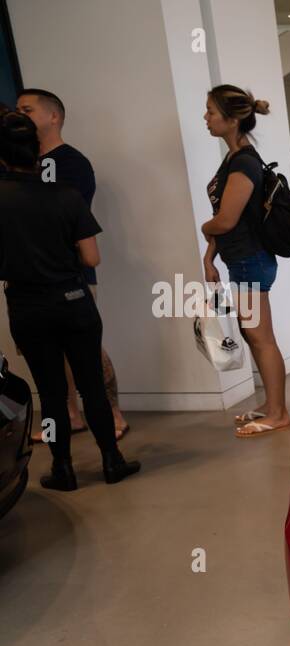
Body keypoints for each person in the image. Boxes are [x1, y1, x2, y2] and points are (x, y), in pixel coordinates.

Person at [0, 110, 139, 489]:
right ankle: (112, 460)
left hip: (27, 307)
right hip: (74, 300)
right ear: (37, 150)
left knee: (50, 393)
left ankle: (62, 468)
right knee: (91, 385)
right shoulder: (65, 195)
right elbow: (91, 257)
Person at [16, 88, 129, 441]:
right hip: (32, 277)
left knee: (85, 348)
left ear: (54, 116)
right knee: (52, 350)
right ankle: (70, 413)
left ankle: (112, 414)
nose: (21, 114)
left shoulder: (71, 164)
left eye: (28, 109)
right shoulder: (21, 164)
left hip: (71, 273)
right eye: (18, 109)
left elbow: (71, 223)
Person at [201, 84, 290, 438]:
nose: (205, 118)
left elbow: (224, 220)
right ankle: (272, 406)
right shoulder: (233, 159)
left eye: (210, 111)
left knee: (260, 336)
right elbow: (222, 222)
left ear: (232, 118)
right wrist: (210, 256)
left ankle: (279, 414)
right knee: (254, 335)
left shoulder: (243, 164)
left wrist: (204, 228)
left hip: (251, 261)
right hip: (241, 259)